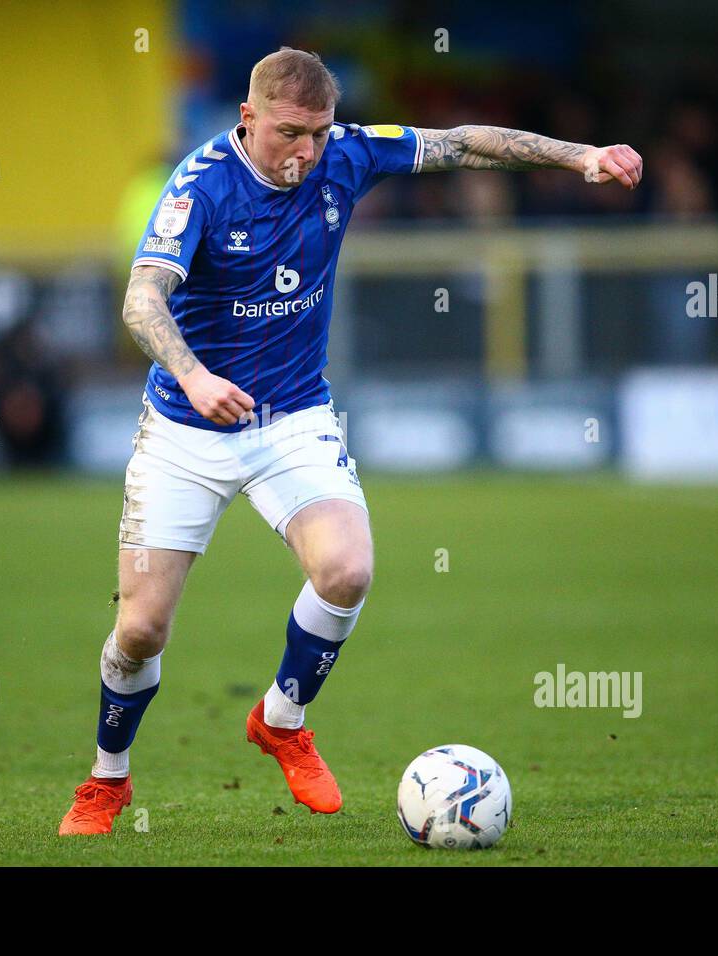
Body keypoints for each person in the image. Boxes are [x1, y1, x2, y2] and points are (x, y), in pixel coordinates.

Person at [59, 47, 642, 835]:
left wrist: (582, 156)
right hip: (186, 430)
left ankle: (282, 720)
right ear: (249, 119)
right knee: (140, 630)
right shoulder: (199, 186)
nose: (307, 151)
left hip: (294, 417)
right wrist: (194, 377)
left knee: (347, 570)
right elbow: (142, 299)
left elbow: (462, 141)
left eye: (319, 133)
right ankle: (108, 779)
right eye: (291, 133)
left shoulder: (347, 154)